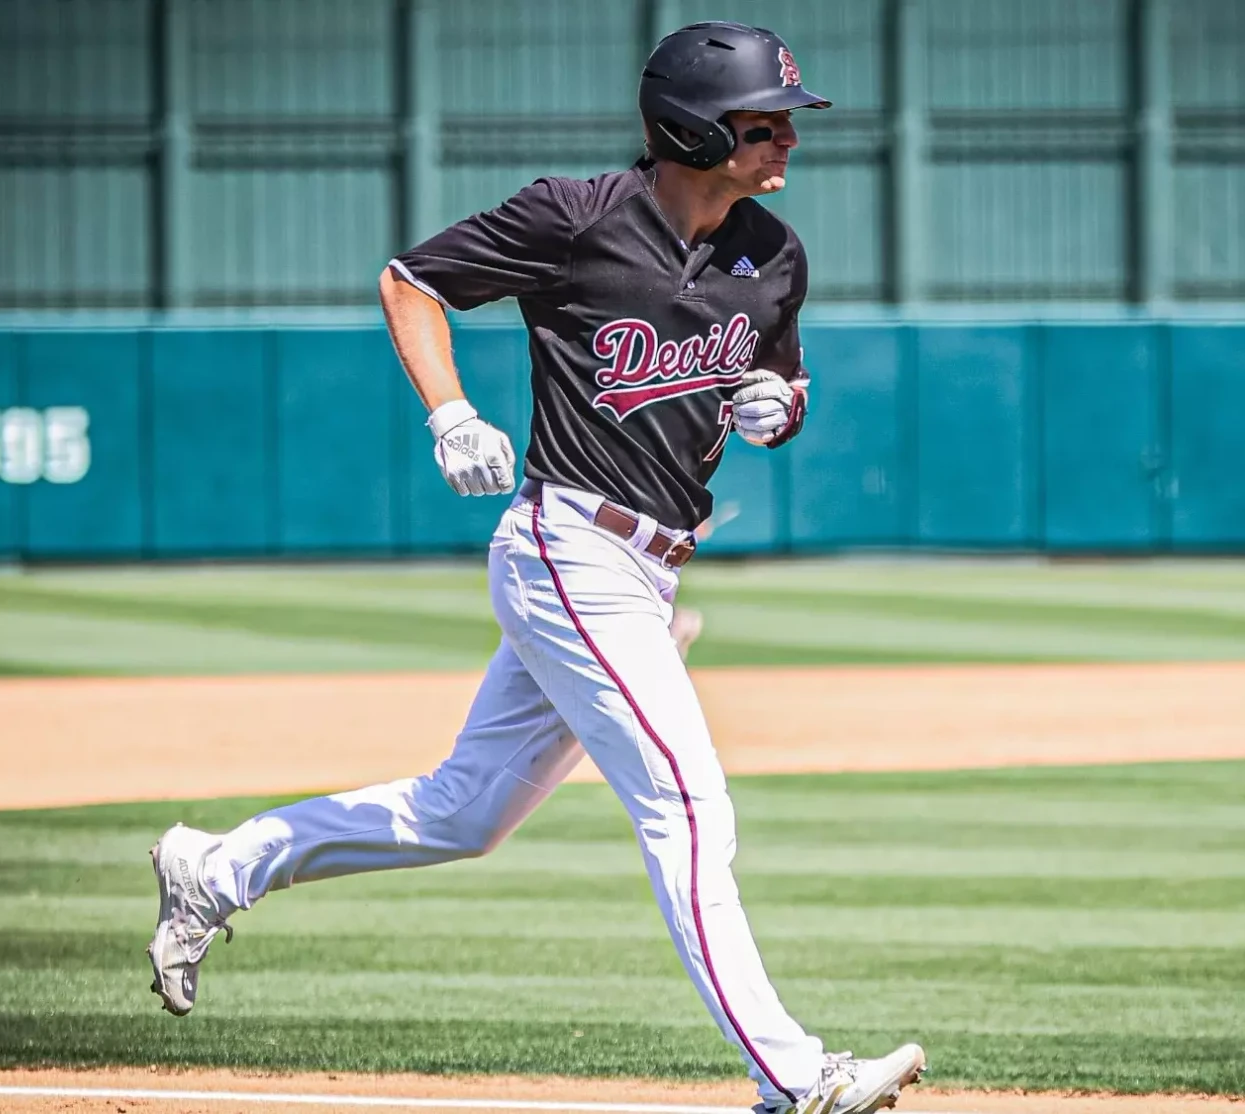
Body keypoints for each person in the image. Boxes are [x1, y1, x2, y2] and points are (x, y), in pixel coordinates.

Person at [145, 22, 925, 1114]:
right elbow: (409, 280)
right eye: (766, 119)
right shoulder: (575, 217)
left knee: (465, 812)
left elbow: (783, 386)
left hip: (655, 568)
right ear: (696, 127)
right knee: (688, 807)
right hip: (571, 547)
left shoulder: (774, 253)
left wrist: (782, 407)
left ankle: (215, 869)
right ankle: (794, 1075)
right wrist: (451, 413)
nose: (787, 135)